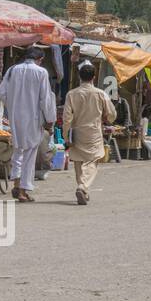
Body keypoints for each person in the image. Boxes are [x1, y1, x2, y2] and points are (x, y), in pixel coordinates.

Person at [0, 46, 57, 203]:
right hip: (33, 118)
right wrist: (50, 119)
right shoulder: (41, 72)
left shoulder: (12, 70)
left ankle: (17, 184)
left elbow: (1, 93)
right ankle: (23, 191)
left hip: (15, 118)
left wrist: (12, 106)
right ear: (39, 59)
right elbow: (46, 99)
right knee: (30, 154)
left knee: (17, 151)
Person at [63, 61, 115, 205]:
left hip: (76, 132)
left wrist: (66, 136)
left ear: (80, 76)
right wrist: (108, 119)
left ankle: (83, 190)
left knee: (78, 161)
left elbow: (66, 118)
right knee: (92, 160)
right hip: (93, 132)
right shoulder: (100, 94)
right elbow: (111, 114)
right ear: (94, 77)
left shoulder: (71, 94)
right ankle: (83, 186)